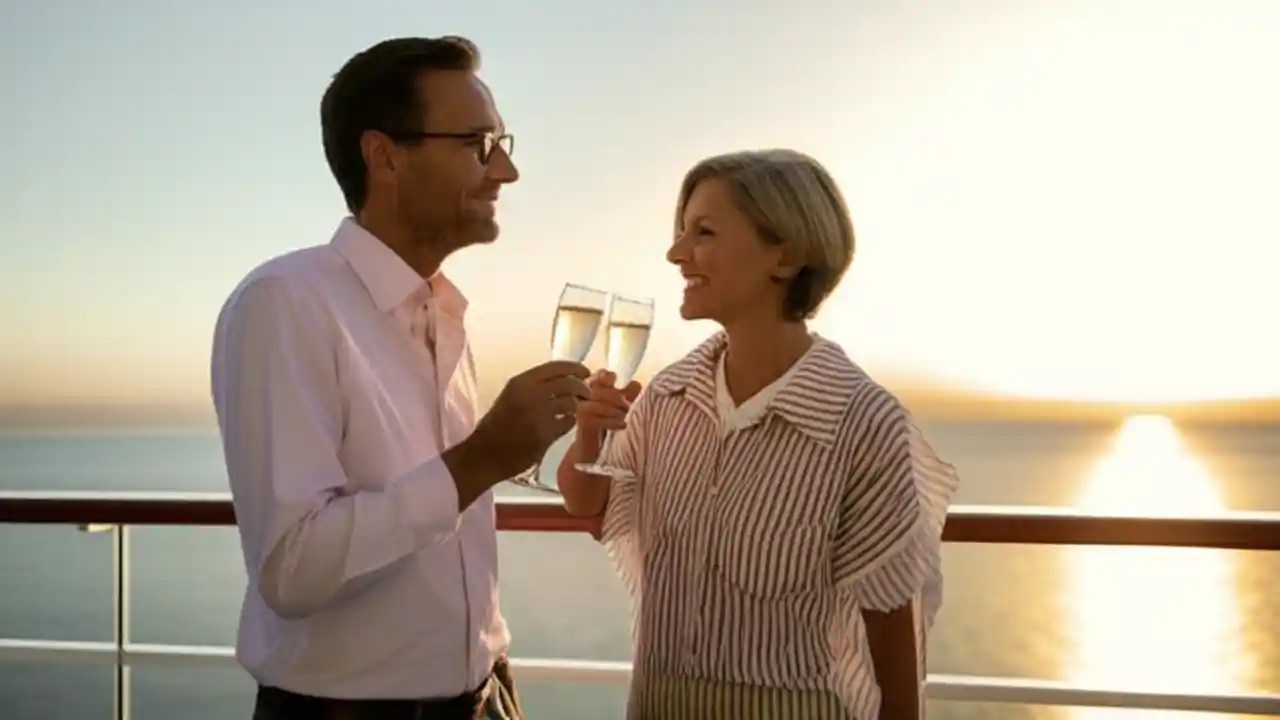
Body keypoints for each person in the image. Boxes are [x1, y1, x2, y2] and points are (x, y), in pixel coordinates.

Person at [211, 36, 590, 720]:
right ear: (384, 154)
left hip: (487, 696)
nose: (506, 170)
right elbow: (292, 569)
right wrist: (481, 460)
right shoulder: (286, 302)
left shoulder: (445, 311)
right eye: (478, 142)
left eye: (503, 141)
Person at [558, 149, 960, 719]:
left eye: (703, 232)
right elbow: (589, 505)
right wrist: (589, 434)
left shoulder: (863, 423)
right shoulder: (667, 398)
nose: (675, 254)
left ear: (786, 255)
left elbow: (892, 622)